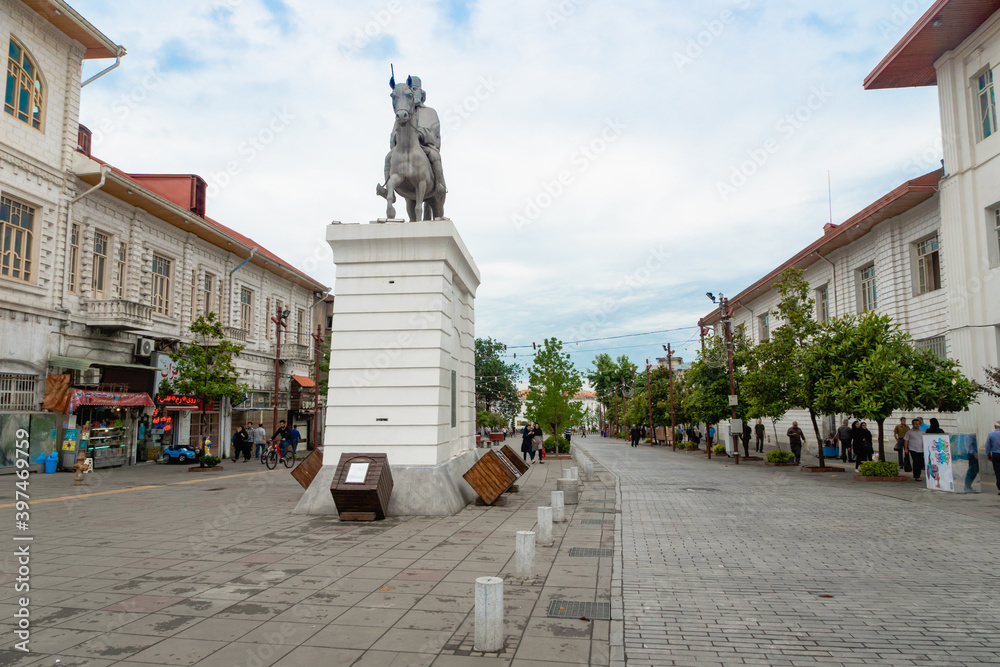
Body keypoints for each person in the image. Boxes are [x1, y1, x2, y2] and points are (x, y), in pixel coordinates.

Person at [986, 421, 1000, 495]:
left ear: (995, 426)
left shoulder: (991, 434)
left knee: (998, 472)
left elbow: (987, 446)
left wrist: (988, 455)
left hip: (996, 455)